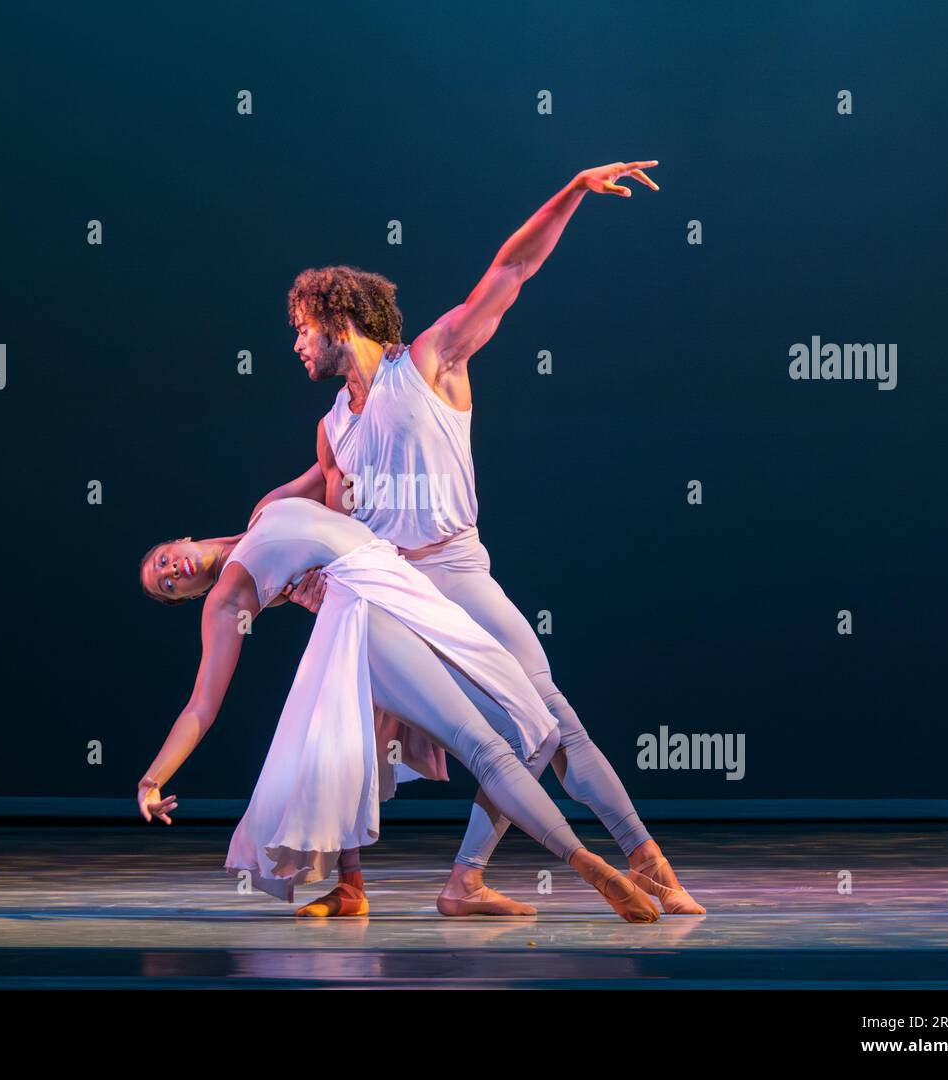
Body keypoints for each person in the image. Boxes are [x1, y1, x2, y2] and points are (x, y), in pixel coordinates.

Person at [255, 159, 704, 917]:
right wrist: (230, 555)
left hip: (458, 571)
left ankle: (627, 859)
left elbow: (511, 268)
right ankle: (358, 885)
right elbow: (303, 511)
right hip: (391, 598)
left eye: (301, 329)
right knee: (350, 733)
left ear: (337, 320)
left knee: (547, 724)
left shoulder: (431, 360)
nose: (295, 345)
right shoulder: (332, 428)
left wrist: (571, 193)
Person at [135, 497, 661, 923]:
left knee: (536, 729)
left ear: (180, 539)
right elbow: (201, 707)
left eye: (163, 561)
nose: (171, 572)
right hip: (363, 609)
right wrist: (152, 781)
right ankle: (591, 866)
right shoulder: (225, 602)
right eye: (167, 586)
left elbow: (339, 452)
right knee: (482, 746)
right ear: (187, 595)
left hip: (406, 586)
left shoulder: (265, 509)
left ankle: (436, 882)